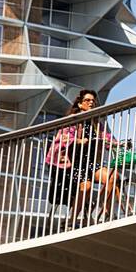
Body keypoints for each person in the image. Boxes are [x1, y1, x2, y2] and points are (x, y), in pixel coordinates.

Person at [44, 89, 123, 226]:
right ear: (80, 104)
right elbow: (63, 136)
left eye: (93, 101)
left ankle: (105, 213)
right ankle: (72, 219)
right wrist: (78, 141)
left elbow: (106, 138)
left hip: (91, 164)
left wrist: (118, 144)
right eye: (87, 100)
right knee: (86, 187)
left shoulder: (96, 124)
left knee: (113, 176)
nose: (91, 103)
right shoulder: (73, 120)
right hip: (75, 164)